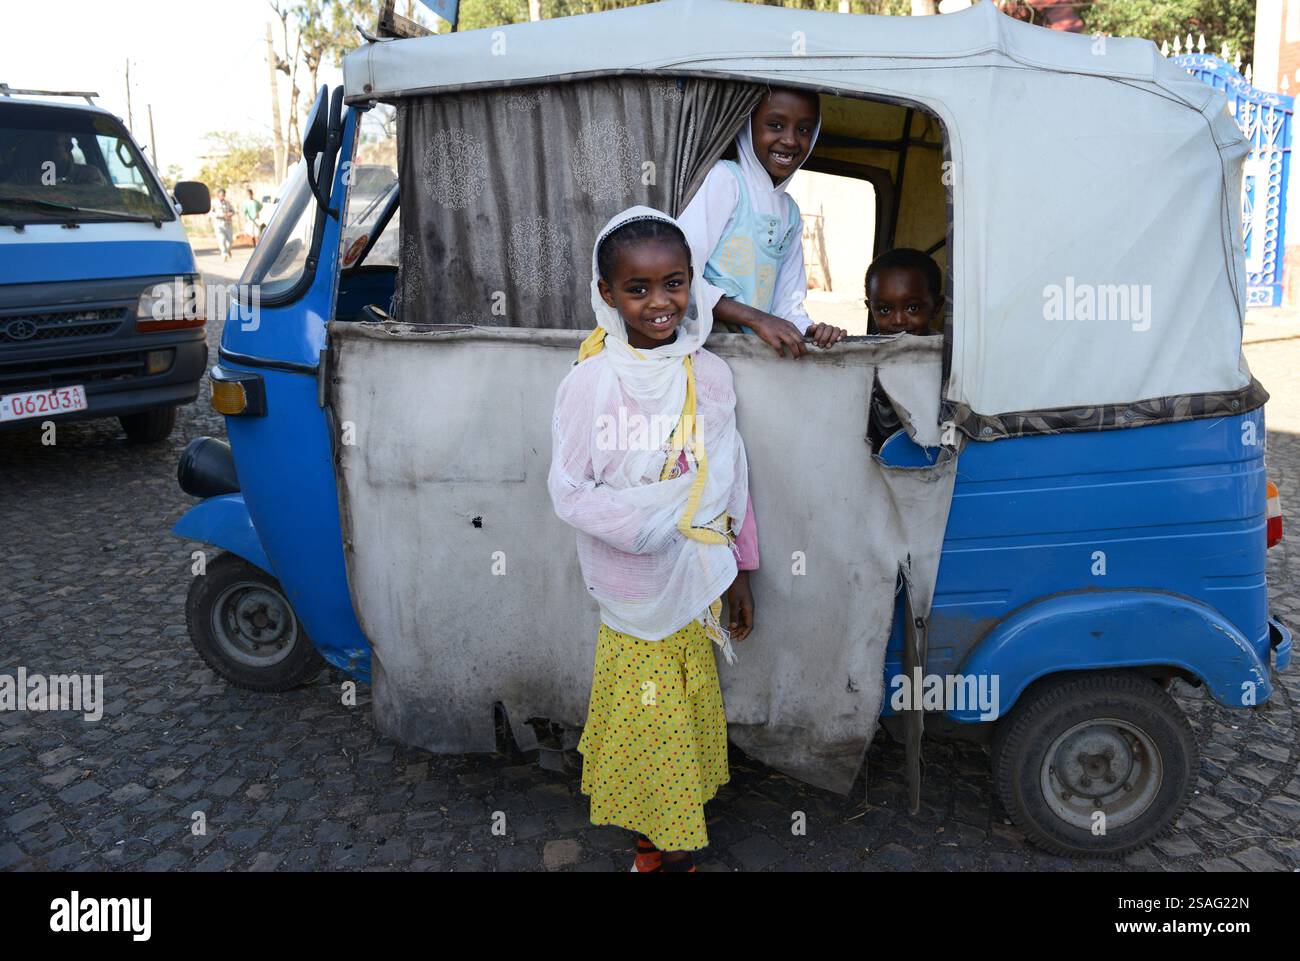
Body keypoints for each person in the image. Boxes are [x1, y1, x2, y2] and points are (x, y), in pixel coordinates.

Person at [548, 206, 759, 873]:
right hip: (632, 590)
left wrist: (740, 569)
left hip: (696, 581)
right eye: (637, 288)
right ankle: (658, 848)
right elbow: (571, 490)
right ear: (606, 294)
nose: (659, 301)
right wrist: (648, 522)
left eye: (673, 282)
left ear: (692, 282)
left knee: (679, 722)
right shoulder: (591, 382)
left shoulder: (709, 375)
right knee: (647, 726)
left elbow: (730, 479)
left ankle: (664, 840)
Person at [678, 87, 846, 358]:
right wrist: (756, 319)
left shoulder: (790, 212)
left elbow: (787, 304)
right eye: (776, 125)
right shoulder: (726, 180)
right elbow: (679, 274)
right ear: (748, 126)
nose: (790, 140)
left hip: (752, 358)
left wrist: (809, 329)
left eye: (804, 130)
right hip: (701, 351)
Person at [864, 247, 944, 448]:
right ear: (870, 308)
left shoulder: (949, 358)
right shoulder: (863, 359)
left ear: (936, 307)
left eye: (912, 308)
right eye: (884, 310)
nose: (898, 320)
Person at [209, 188, 235, 262]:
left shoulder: (227, 203)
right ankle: (224, 254)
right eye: (221, 195)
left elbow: (233, 211)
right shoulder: (214, 203)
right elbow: (211, 213)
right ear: (218, 195)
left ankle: (227, 250)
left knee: (230, 241)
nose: (222, 196)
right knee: (222, 240)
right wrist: (220, 215)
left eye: (223, 195)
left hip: (227, 224)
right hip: (218, 224)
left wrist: (230, 214)